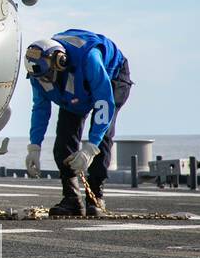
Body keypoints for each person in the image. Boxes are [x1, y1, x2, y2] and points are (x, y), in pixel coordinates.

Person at [24, 31, 133, 216]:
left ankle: (96, 196)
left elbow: (104, 103)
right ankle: (72, 198)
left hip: (111, 77)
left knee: (102, 137)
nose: (44, 81)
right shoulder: (39, 74)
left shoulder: (90, 59)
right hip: (76, 90)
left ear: (60, 62)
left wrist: (90, 149)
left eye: (47, 76)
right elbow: (40, 109)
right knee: (63, 143)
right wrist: (34, 146)